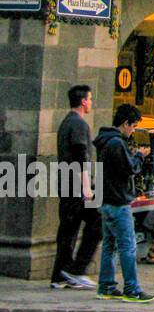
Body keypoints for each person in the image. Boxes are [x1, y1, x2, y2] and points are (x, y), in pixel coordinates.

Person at [94, 104, 154, 303]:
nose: (133, 131)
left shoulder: (105, 141)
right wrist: (139, 155)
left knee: (109, 246)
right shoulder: (116, 143)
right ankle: (132, 288)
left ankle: (107, 285)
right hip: (119, 201)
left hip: (106, 200)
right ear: (126, 123)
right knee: (127, 247)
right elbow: (129, 169)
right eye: (134, 126)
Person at [50, 84, 100, 290]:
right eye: (89, 99)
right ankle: (76, 270)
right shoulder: (79, 124)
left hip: (67, 184)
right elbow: (81, 155)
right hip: (77, 186)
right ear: (83, 101)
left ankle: (60, 275)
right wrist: (87, 187)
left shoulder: (66, 123)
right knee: (98, 222)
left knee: (68, 231)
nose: (91, 102)